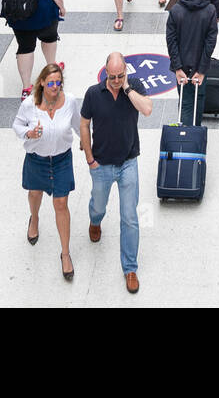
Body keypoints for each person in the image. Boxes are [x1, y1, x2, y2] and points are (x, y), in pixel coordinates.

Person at [80, 52, 153, 295]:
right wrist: (90, 158)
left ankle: (130, 269)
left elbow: (148, 110)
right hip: (101, 164)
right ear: (105, 72)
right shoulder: (93, 93)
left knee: (130, 217)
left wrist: (128, 89)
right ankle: (95, 221)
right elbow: (83, 124)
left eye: (120, 76)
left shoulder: (134, 87)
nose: (115, 80)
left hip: (128, 163)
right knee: (98, 205)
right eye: (112, 76)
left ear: (126, 72)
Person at [13, 62, 82, 279]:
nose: (55, 87)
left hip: (62, 160)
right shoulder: (28, 105)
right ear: (41, 82)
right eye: (51, 82)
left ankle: (65, 253)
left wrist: (88, 145)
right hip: (37, 160)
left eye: (58, 83)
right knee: (35, 194)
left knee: (61, 204)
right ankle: (34, 218)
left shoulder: (69, 101)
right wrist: (29, 134)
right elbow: (17, 125)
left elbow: (79, 125)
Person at [166, 0, 218, 127]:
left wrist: (177, 67)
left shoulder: (176, 10)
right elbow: (210, 43)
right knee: (199, 97)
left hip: (181, 66)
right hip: (199, 66)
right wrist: (201, 70)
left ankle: (184, 135)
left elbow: (171, 40)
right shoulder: (210, 11)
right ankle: (195, 132)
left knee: (184, 101)